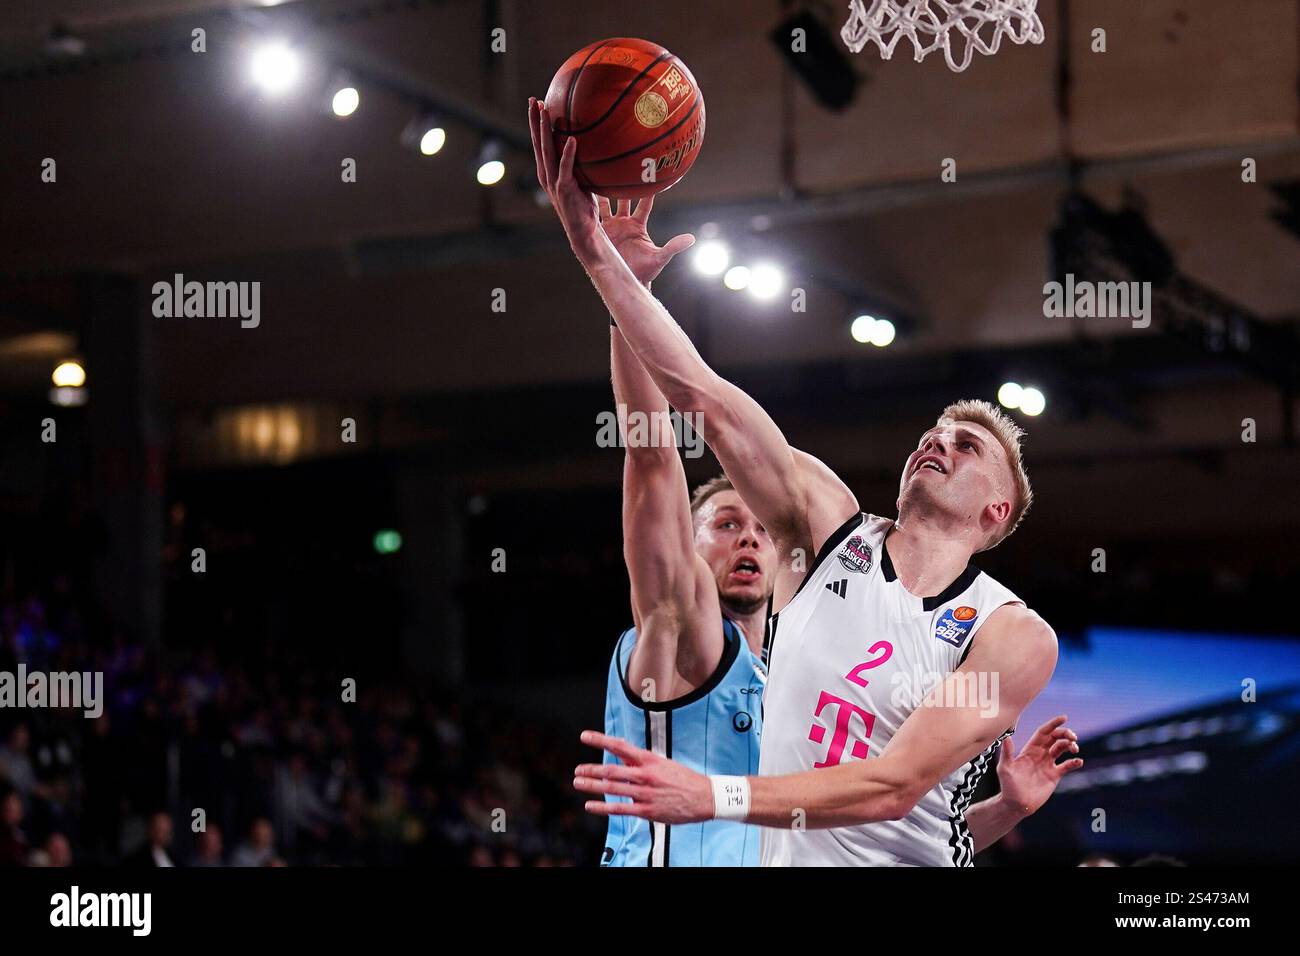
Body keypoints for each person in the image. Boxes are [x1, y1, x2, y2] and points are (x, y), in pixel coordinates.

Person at [528, 97, 1082, 866]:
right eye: (934, 432)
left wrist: (711, 796)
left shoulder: (1011, 634)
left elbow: (895, 789)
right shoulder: (826, 528)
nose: (938, 441)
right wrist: (602, 263)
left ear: (998, 509)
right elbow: (695, 392)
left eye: (966, 444)